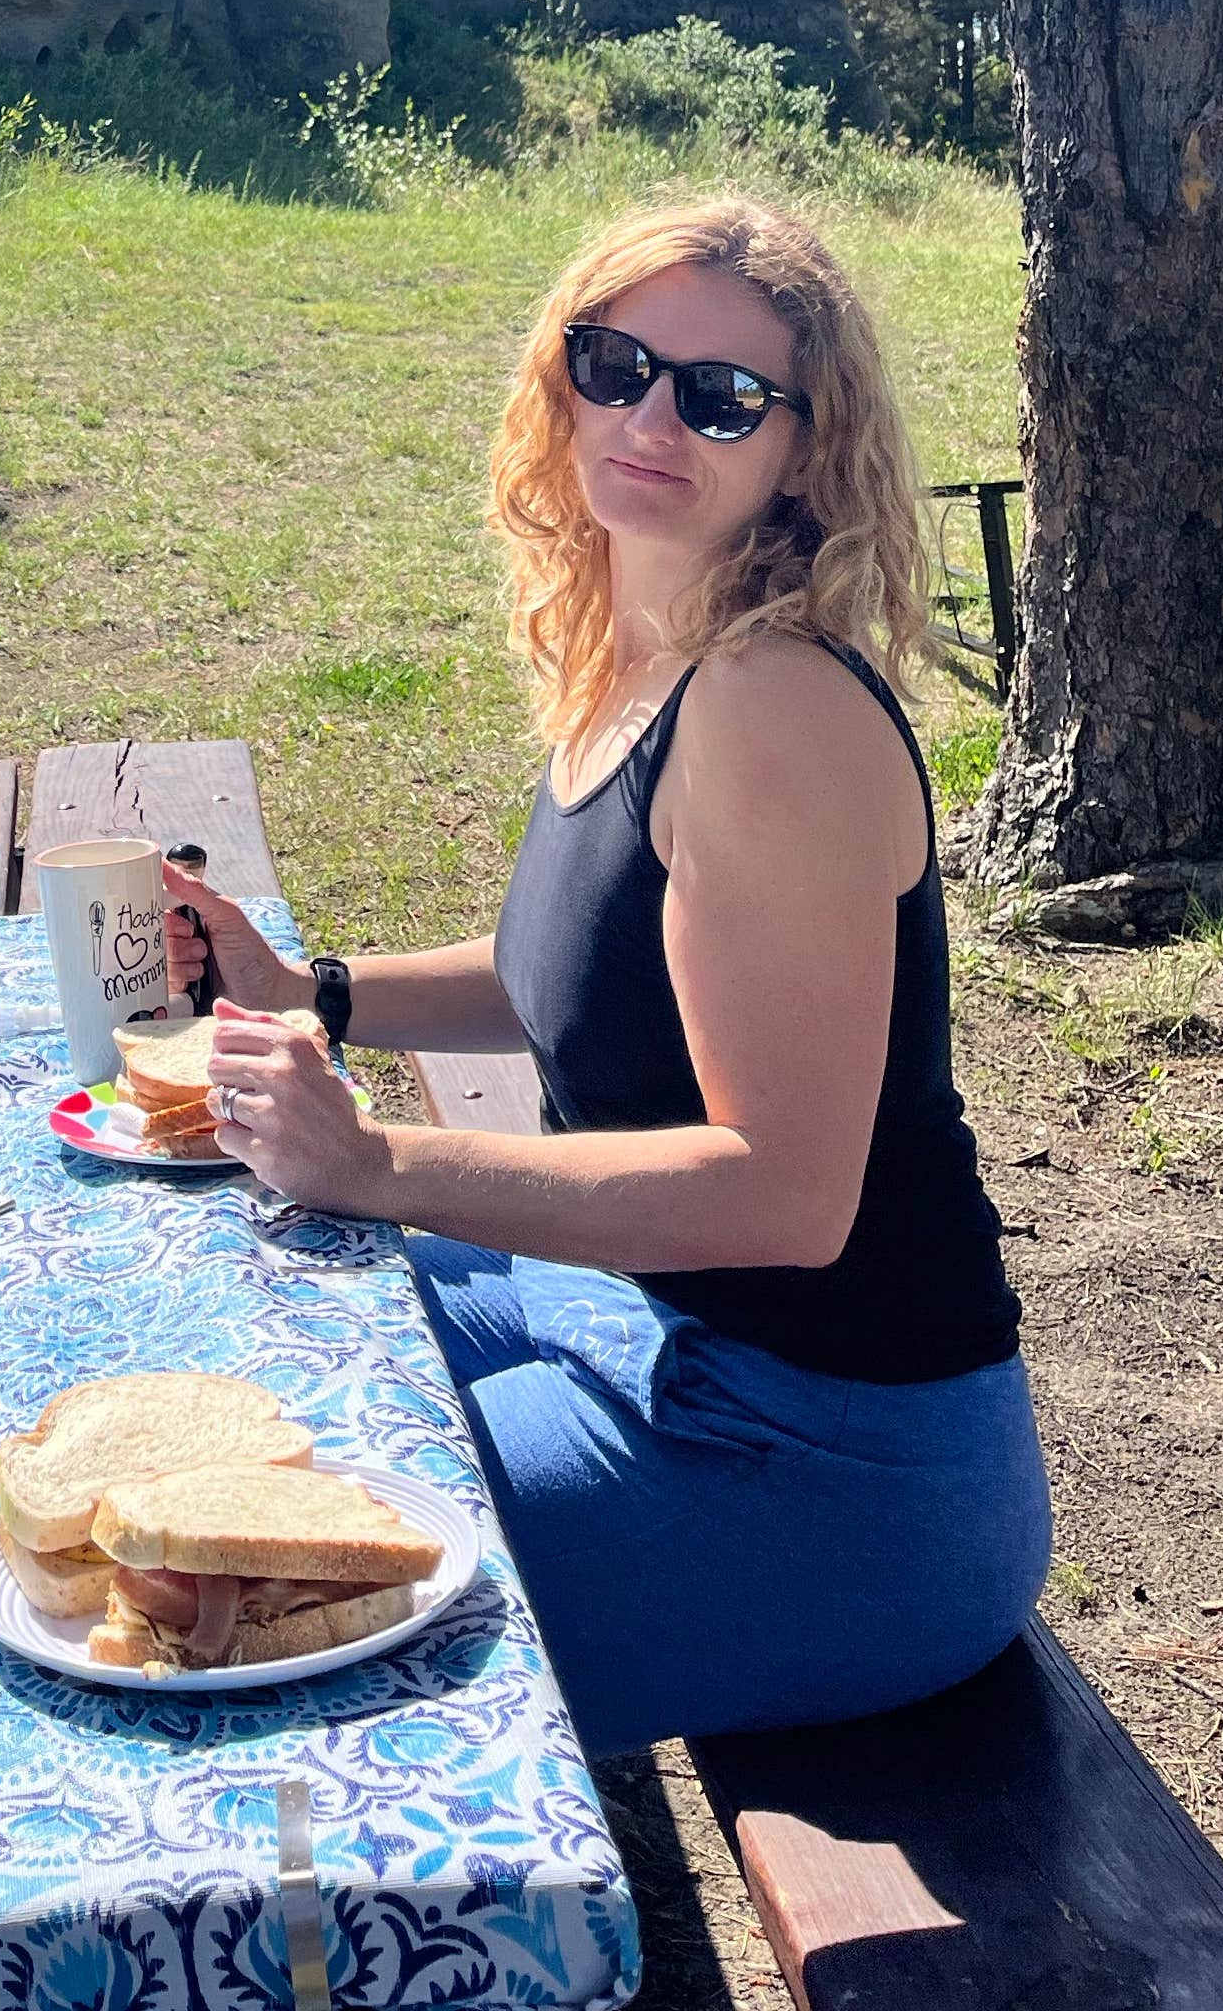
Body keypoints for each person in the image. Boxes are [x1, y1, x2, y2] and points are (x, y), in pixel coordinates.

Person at [164, 193, 1049, 1754]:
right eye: (616, 364)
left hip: (830, 1469)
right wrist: (317, 994)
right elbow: (569, 981)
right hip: (640, 1329)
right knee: (229, 1363)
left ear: (806, 450)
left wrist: (375, 1163)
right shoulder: (646, 651)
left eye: (721, 397)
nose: (650, 418)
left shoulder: (770, 710)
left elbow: (785, 1198)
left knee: (247, 1605)